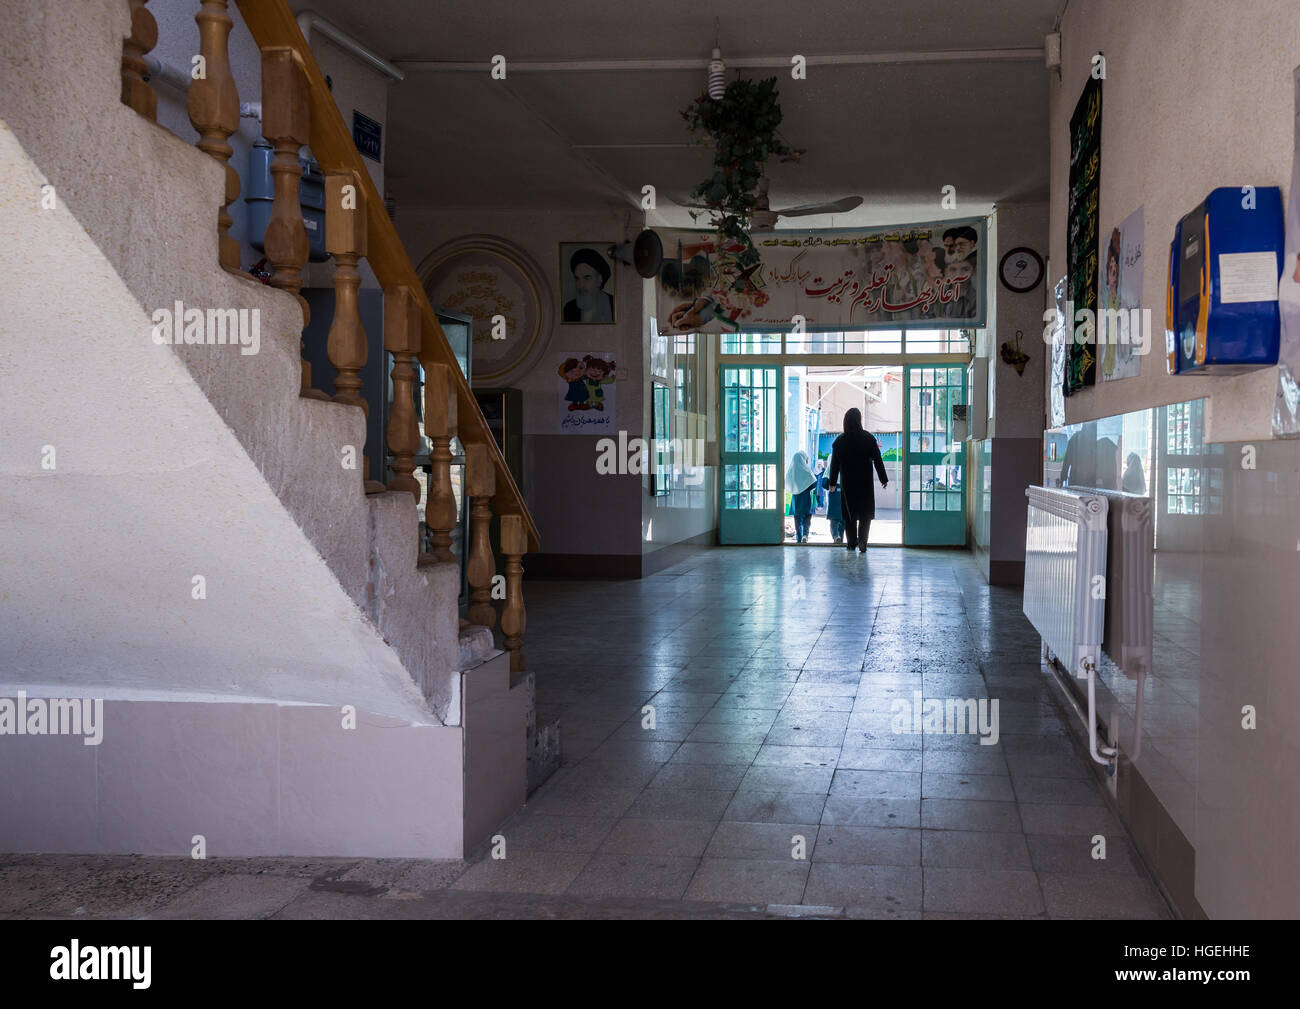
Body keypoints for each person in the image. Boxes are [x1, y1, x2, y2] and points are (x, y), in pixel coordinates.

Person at [825, 408, 889, 553]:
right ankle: (863, 543)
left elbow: (835, 464)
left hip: (848, 483)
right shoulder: (868, 438)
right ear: (859, 420)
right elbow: (877, 460)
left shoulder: (839, 441)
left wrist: (832, 483)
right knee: (865, 514)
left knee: (850, 515)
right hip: (865, 482)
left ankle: (851, 543)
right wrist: (883, 478)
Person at [563, 249, 614, 323]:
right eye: (577, 278)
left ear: (599, 280)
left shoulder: (614, 304)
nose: (580, 285)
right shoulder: (569, 309)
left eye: (587, 278)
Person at [786, 450, 817, 543]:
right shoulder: (806, 471)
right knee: (807, 518)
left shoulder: (791, 472)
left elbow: (787, 484)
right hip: (806, 498)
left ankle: (799, 537)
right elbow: (814, 483)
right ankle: (805, 535)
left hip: (796, 498)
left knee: (797, 518)